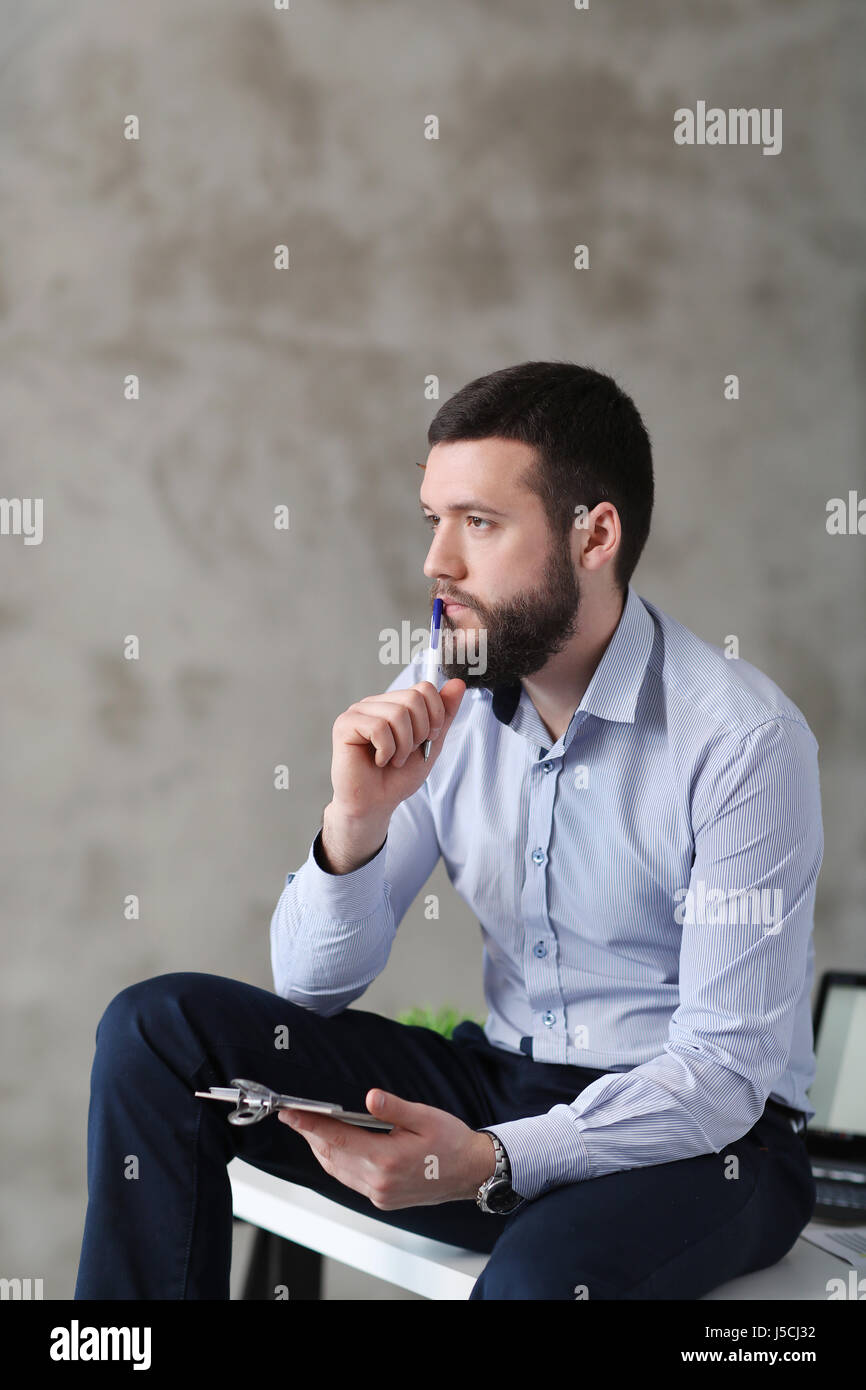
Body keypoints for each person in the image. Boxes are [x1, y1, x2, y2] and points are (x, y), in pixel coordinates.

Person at [74, 361, 820, 1300]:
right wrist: (356, 822)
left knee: (538, 1283)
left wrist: (493, 1159)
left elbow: (719, 1075)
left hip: (706, 1144)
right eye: (435, 520)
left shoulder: (742, 740)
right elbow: (310, 987)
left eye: (480, 522)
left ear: (595, 535)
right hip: (502, 1082)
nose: (438, 561)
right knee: (157, 1033)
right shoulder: (444, 679)